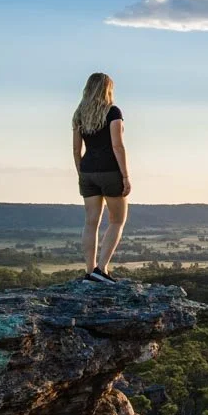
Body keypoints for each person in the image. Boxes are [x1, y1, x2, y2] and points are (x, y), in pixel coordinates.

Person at [72, 72, 131, 283]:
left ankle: (89, 271)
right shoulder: (113, 112)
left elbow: (76, 150)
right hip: (110, 172)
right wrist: (125, 176)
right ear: (107, 89)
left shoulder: (79, 114)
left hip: (87, 171)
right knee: (117, 221)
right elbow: (117, 145)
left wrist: (82, 174)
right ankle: (102, 269)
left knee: (91, 223)